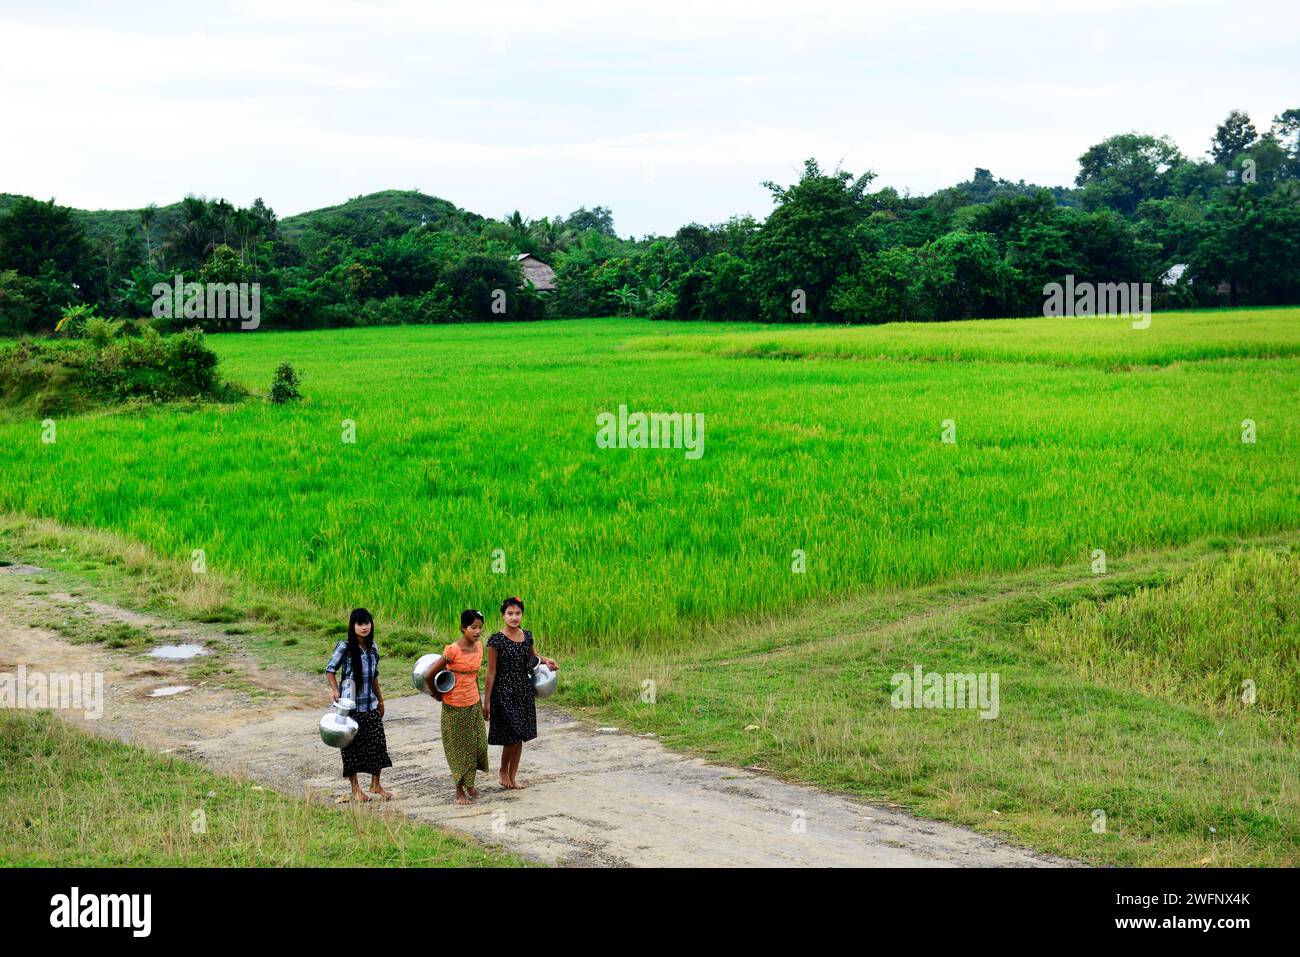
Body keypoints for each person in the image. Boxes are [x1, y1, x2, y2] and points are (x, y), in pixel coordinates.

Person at [485, 596, 558, 789]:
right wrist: (487, 702)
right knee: (513, 734)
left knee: (521, 736)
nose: (514, 617)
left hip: (523, 692)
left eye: (518, 613)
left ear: (522, 615)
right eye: (510, 613)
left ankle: (512, 776)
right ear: (503, 616)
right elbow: (490, 672)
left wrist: (547, 660)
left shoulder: (527, 636)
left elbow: (533, 657)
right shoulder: (495, 640)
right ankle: (502, 770)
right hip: (503, 692)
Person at [325, 608, 392, 802]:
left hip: (370, 705)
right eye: (359, 623)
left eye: (367, 623)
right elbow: (330, 670)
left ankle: (376, 784)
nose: (364, 627)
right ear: (353, 626)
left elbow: (374, 676)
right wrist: (335, 690)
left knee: (378, 744)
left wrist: (380, 700)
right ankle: (356, 790)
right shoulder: (345, 647)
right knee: (351, 749)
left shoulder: (374, 648)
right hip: (349, 707)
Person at [426, 609, 490, 804]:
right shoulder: (452, 650)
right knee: (459, 749)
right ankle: (459, 791)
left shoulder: (479, 647)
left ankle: (470, 785)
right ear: (463, 628)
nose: (477, 631)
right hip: (454, 706)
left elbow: (475, 677)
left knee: (477, 746)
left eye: (480, 627)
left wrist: (480, 703)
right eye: (473, 627)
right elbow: (429, 675)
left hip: (473, 704)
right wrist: (437, 694)